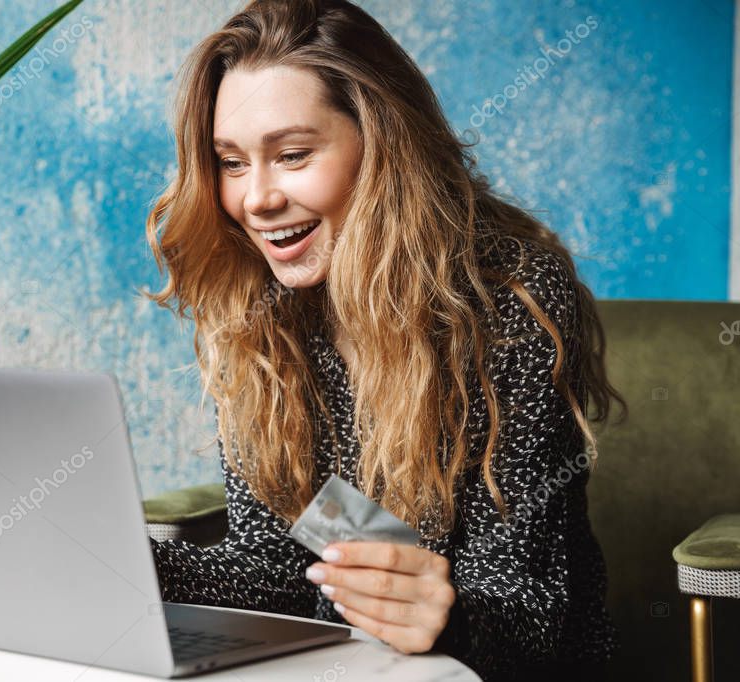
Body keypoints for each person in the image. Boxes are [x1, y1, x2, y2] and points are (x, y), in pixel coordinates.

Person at [141, 1, 627, 680]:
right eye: (231, 162)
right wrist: (119, 560)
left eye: (291, 155)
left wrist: (445, 618)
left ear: (382, 143)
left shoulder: (509, 298)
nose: (256, 198)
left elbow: (531, 615)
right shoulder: (267, 311)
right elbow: (277, 575)